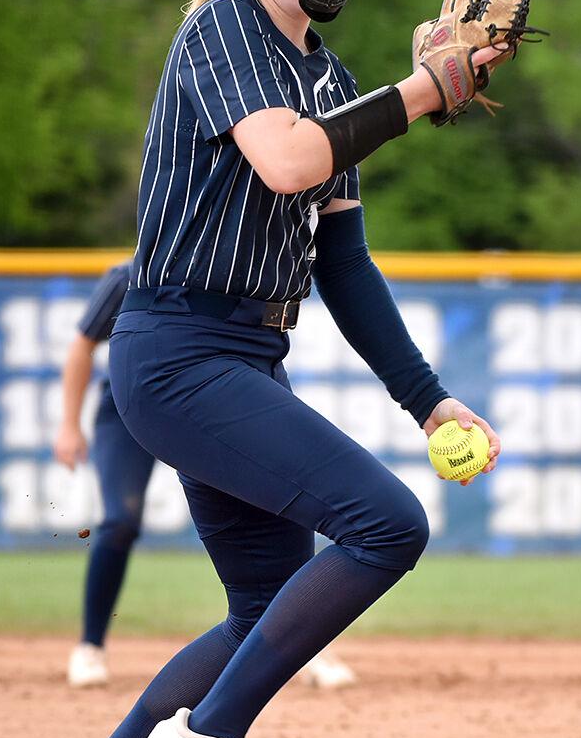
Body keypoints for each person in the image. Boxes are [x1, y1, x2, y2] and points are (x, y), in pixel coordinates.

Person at [41, 0, 503, 738]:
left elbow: (342, 262)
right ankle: (206, 737)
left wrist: (428, 401)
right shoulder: (223, 33)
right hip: (174, 350)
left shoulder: (329, 78)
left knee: (266, 601)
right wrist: (425, 89)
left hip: (246, 352)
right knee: (387, 524)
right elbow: (289, 161)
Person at [54, 262, 357, 692]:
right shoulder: (131, 273)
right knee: (120, 519)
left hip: (207, 405)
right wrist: (69, 424)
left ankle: (305, 648)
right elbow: (82, 344)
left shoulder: (232, 273)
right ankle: (89, 647)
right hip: (127, 409)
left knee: (274, 510)